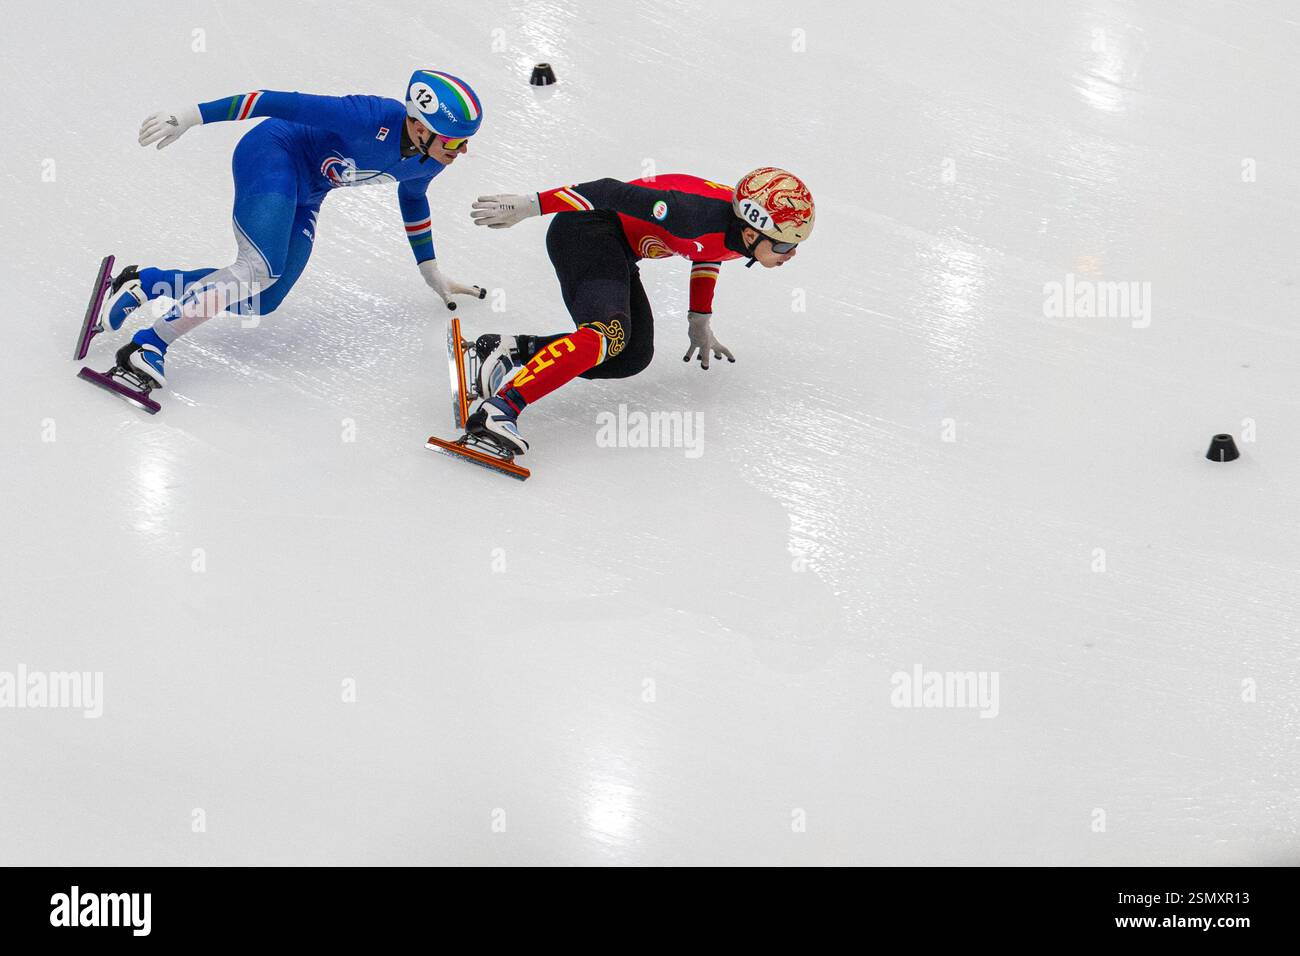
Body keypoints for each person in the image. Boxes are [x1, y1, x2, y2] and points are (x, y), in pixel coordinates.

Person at [98, 70, 486, 387]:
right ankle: (148, 345)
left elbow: (414, 198)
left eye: (466, 141)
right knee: (257, 269)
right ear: (419, 126)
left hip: (310, 191)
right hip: (273, 153)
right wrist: (190, 115)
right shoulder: (366, 117)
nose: (461, 151)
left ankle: (145, 283)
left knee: (263, 298)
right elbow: (271, 100)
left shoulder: (431, 159)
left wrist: (429, 268)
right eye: (454, 140)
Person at [462, 168, 815, 454]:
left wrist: (699, 320)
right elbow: (605, 190)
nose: (792, 254)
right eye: (786, 244)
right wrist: (530, 206)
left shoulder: (740, 231)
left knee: (631, 355)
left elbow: (710, 253)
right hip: (585, 229)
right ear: (753, 233)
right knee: (607, 334)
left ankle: (505, 349)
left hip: (619, 248)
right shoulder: (690, 211)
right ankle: (499, 409)